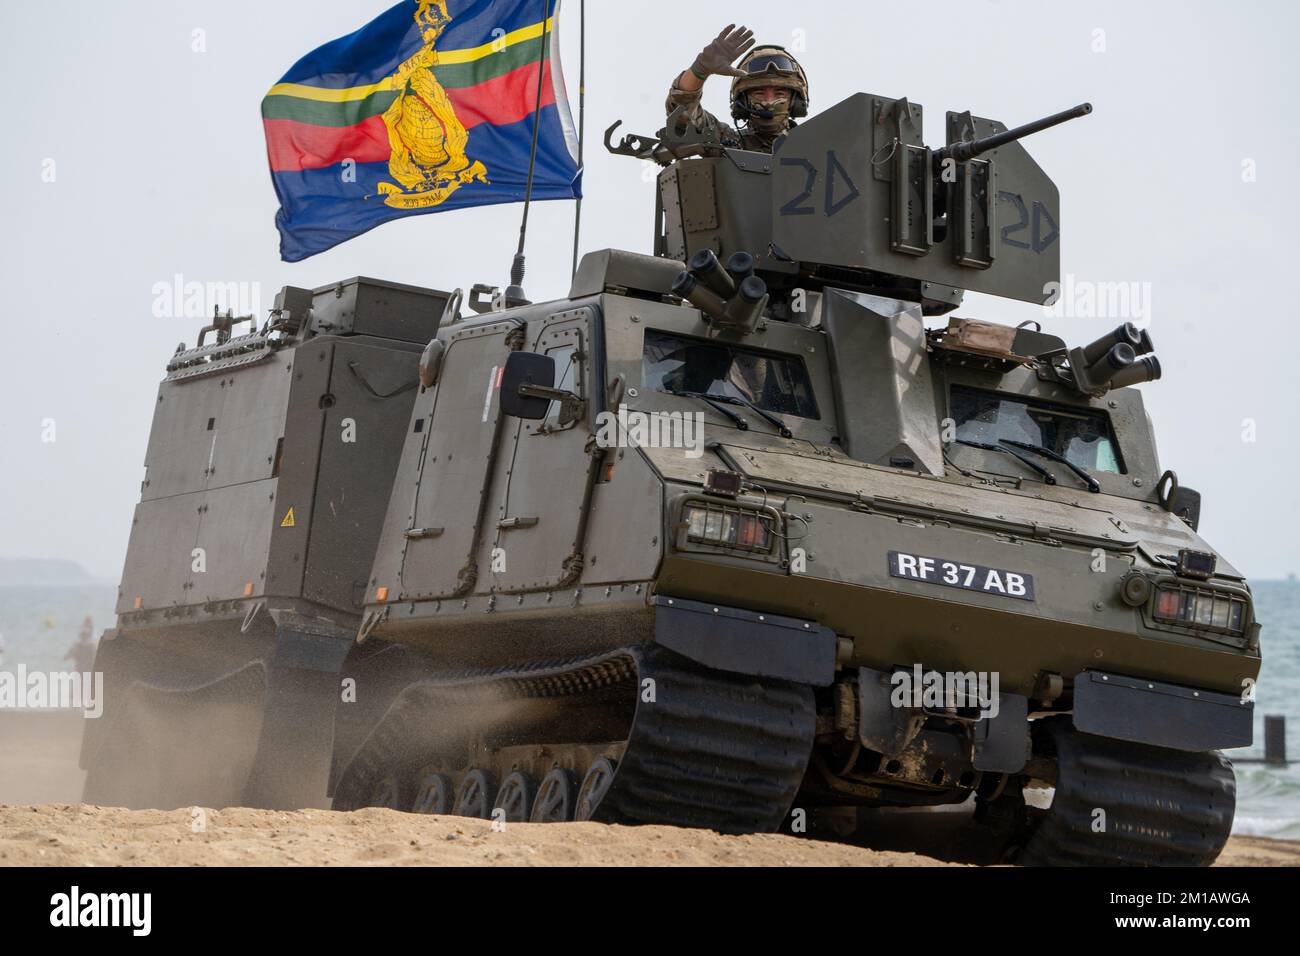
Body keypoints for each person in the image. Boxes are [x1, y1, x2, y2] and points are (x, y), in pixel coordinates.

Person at [665, 24, 809, 153]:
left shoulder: (817, 145)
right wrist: (700, 70)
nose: (769, 102)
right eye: (759, 93)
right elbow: (681, 113)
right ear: (742, 100)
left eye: (779, 93)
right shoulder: (727, 143)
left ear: (795, 101)